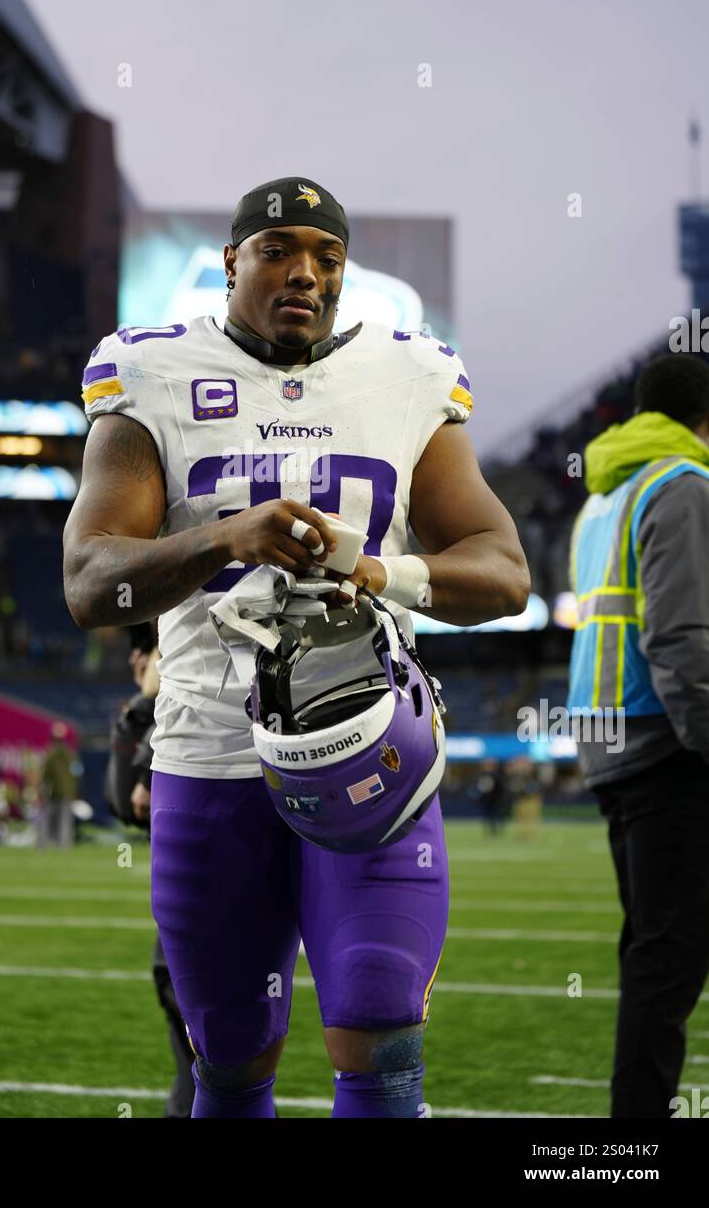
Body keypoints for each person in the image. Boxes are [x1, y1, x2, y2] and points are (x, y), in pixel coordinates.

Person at [63, 175, 529, 1119]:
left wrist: (377, 575)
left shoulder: (408, 374)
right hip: (209, 753)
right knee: (230, 1063)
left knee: (380, 1028)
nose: (304, 274)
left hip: (373, 752)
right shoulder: (150, 369)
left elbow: (504, 572)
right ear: (232, 261)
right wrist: (222, 539)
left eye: (326, 257)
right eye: (278, 252)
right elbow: (89, 581)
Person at [567, 353, 709, 1118]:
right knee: (669, 956)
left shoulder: (605, 495)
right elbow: (681, 638)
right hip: (665, 741)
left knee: (657, 945)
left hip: (609, 738)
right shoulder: (680, 486)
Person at [106, 631, 195, 1119]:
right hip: (197, 906)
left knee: (219, 1069)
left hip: (205, 902)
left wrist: (148, 701)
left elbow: (129, 802)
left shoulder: (202, 699)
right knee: (217, 1070)